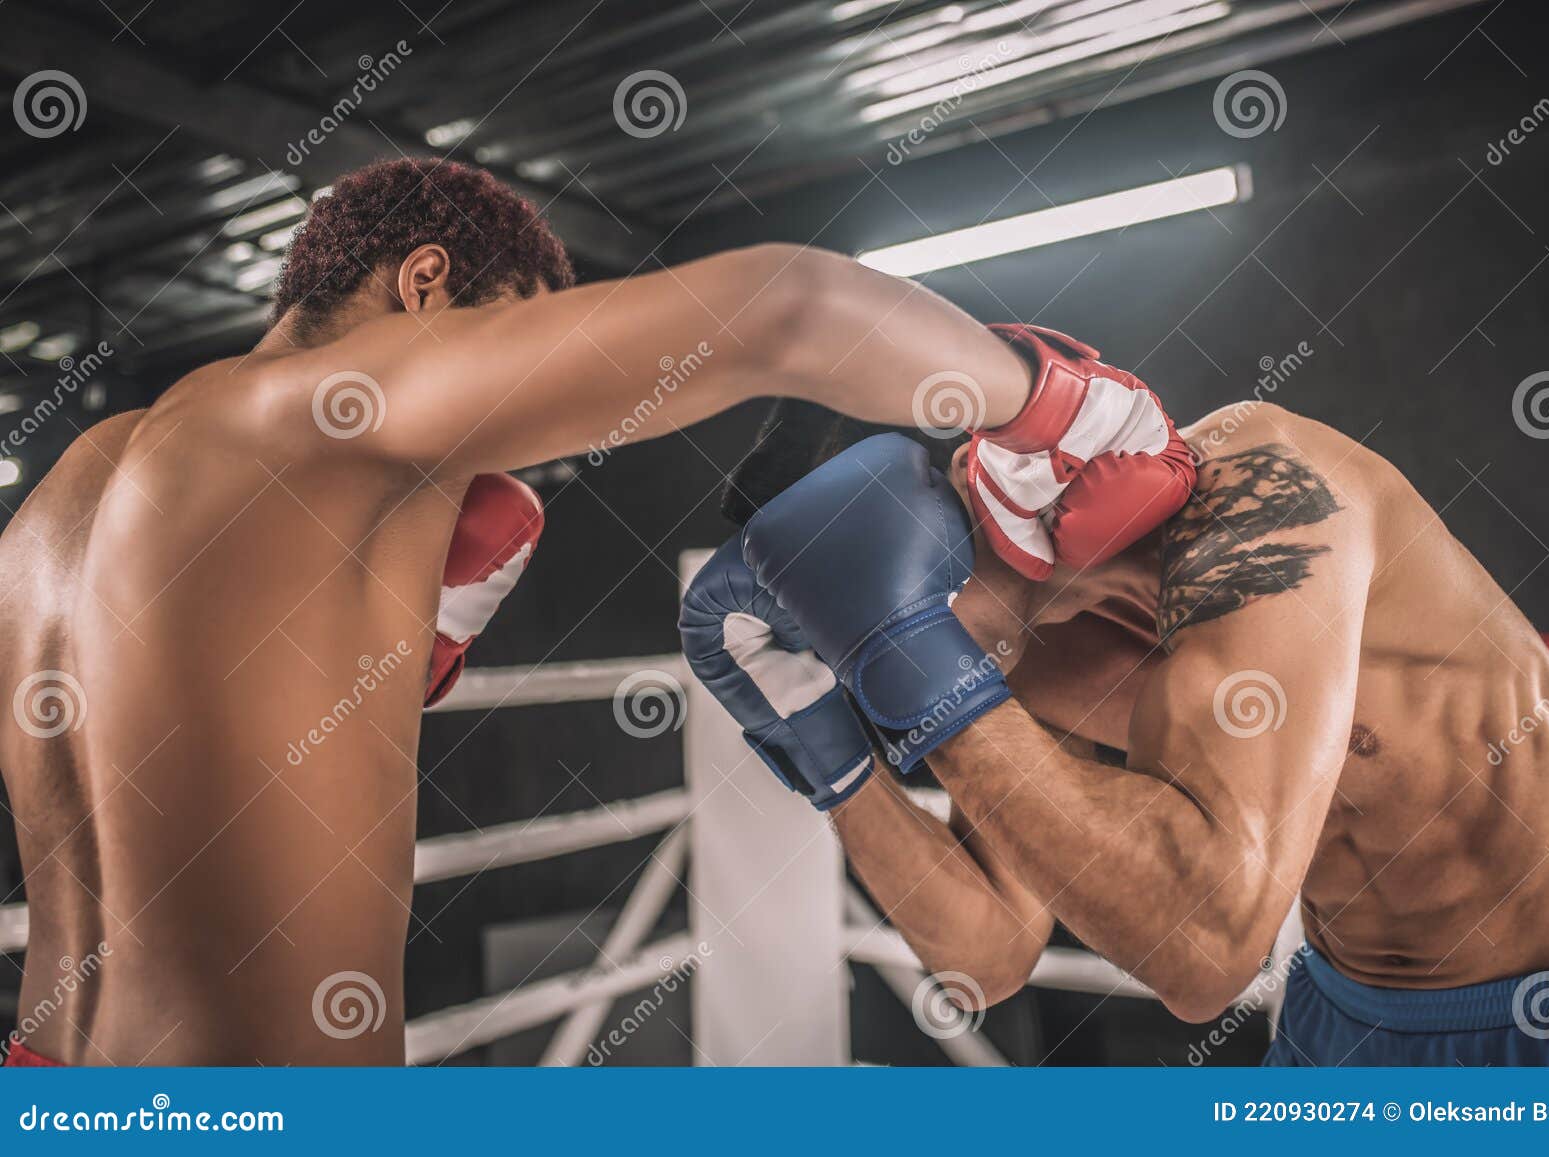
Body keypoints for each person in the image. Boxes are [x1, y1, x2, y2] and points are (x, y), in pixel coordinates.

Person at [0, 157, 1041, 1065]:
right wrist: (1050, 404)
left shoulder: (66, 495)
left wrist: (402, 651)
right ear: (423, 283)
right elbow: (793, 306)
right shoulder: (330, 413)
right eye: (505, 330)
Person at [683, 326, 1549, 1066]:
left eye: (860, 614)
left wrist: (906, 650)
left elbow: (1208, 949)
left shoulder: (1265, 493)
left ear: (963, 482)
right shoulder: (1013, 656)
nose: (866, 663)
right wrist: (832, 760)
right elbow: (991, 952)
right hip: (1344, 1021)